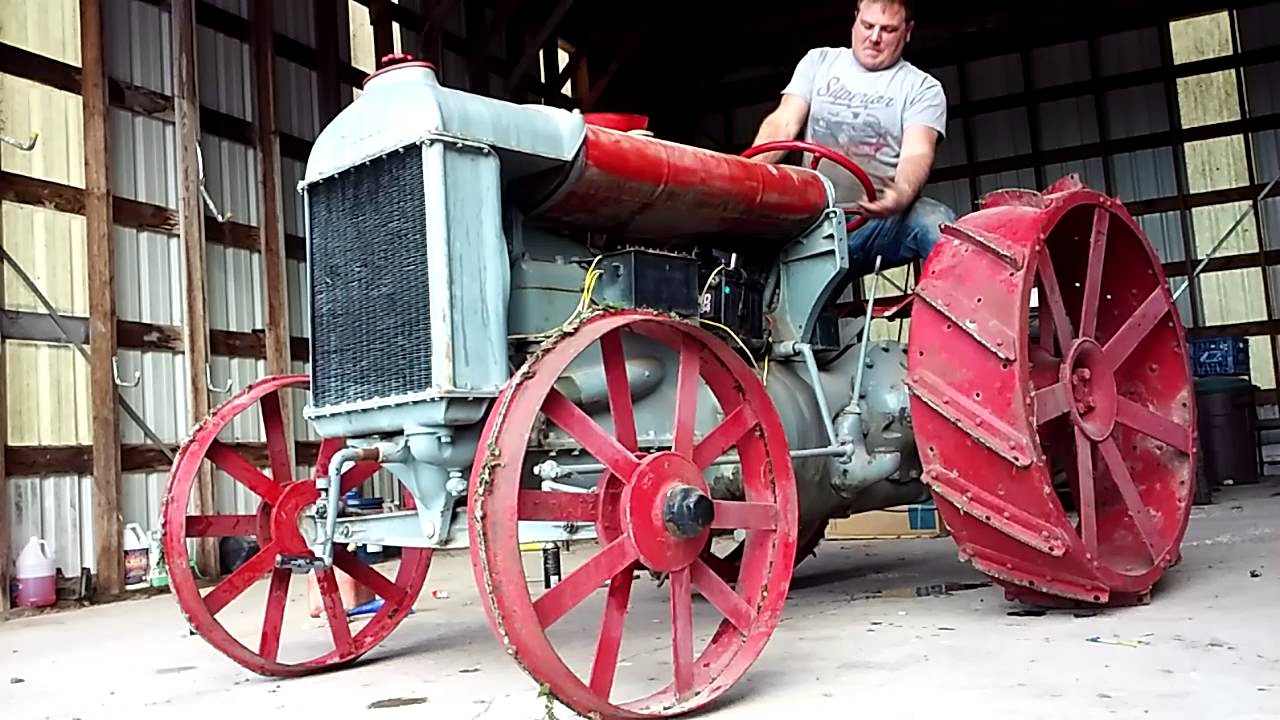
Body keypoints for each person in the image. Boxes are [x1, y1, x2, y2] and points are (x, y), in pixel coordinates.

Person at [750, 0, 955, 277]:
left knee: (934, 221)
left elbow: (917, 152)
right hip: (810, 221)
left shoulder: (922, 88)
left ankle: (960, 317)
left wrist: (902, 194)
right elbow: (784, 121)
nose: (874, 37)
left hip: (874, 223)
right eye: (867, 25)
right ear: (855, 19)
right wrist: (748, 174)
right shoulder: (818, 62)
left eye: (888, 29)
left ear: (908, 32)